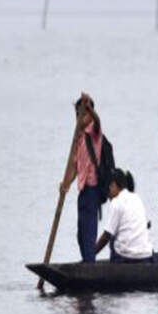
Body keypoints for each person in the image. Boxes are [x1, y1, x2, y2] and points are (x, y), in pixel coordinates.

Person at [60, 92, 114, 262]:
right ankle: (87, 261)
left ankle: (89, 264)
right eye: (77, 115)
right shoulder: (79, 137)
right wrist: (66, 184)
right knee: (81, 233)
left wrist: (90, 109)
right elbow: (76, 167)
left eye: (83, 114)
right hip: (83, 190)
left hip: (93, 189)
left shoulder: (94, 133)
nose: (79, 118)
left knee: (89, 231)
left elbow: (98, 121)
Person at [92, 169, 154, 263]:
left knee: (113, 236)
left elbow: (106, 236)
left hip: (125, 258)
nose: (108, 197)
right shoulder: (136, 197)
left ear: (113, 186)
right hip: (146, 255)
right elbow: (148, 224)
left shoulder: (116, 202)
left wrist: (91, 254)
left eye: (107, 190)